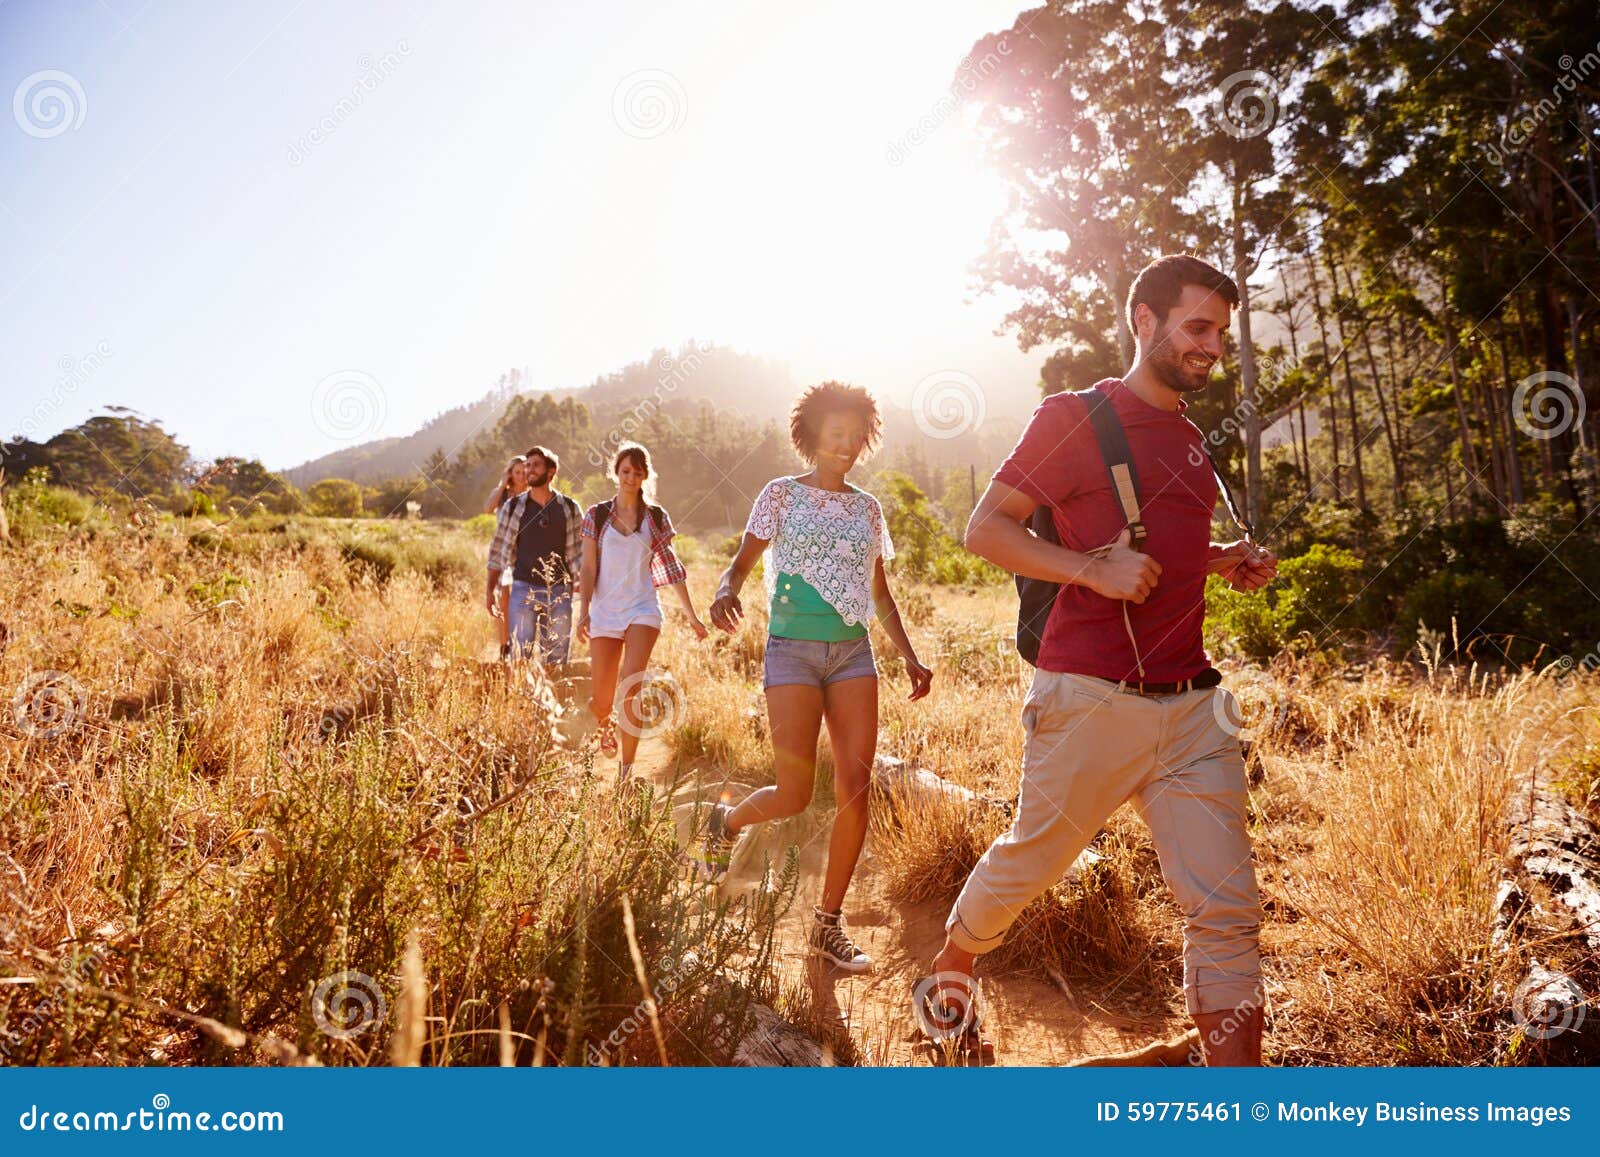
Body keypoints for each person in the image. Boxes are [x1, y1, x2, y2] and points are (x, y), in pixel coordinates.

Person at [920, 254, 1278, 1065]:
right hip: (1089, 696)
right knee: (1031, 860)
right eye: (1196, 327)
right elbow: (984, 529)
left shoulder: (1190, 435)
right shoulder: (1073, 418)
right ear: (1143, 322)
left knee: (1227, 911)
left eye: (1221, 332)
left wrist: (1222, 559)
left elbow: (1158, 544)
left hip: (1194, 708)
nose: (1212, 347)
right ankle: (952, 966)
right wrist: (1091, 568)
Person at [706, 382, 933, 973]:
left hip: (853, 655)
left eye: (857, 438)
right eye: (836, 436)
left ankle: (826, 926)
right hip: (792, 655)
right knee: (795, 793)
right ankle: (724, 822)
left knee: (856, 792)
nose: (847, 447)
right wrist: (726, 590)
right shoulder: (779, 496)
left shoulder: (867, 508)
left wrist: (908, 653)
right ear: (811, 437)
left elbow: (878, 591)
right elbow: (741, 564)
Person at [576, 442, 708, 784]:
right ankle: (605, 724)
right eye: (624, 471)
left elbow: (673, 569)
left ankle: (626, 771)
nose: (630, 478)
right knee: (603, 697)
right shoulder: (597, 516)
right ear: (615, 473)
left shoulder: (656, 518)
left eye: (637, 473)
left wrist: (692, 616)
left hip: (642, 609)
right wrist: (584, 612)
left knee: (630, 685)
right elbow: (588, 568)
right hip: (605, 611)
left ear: (644, 476)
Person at [485, 446, 584, 668]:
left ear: (551, 471)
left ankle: (552, 699)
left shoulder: (569, 508)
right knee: (521, 656)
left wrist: (581, 582)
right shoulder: (513, 507)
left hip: (559, 593)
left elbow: (580, 553)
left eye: (536, 465)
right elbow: (498, 550)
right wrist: (490, 590)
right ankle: (521, 701)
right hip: (523, 590)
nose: (529, 470)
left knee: (556, 659)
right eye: (527, 465)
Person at [486, 455, 529, 659]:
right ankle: (505, 648)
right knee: (504, 596)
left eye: (524, 472)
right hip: (504, 551)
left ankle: (523, 645)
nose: (521, 476)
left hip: (525, 550)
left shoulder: (533, 495)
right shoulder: (503, 495)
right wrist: (503, 484)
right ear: (510, 473)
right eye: (516, 472)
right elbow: (487, 509)